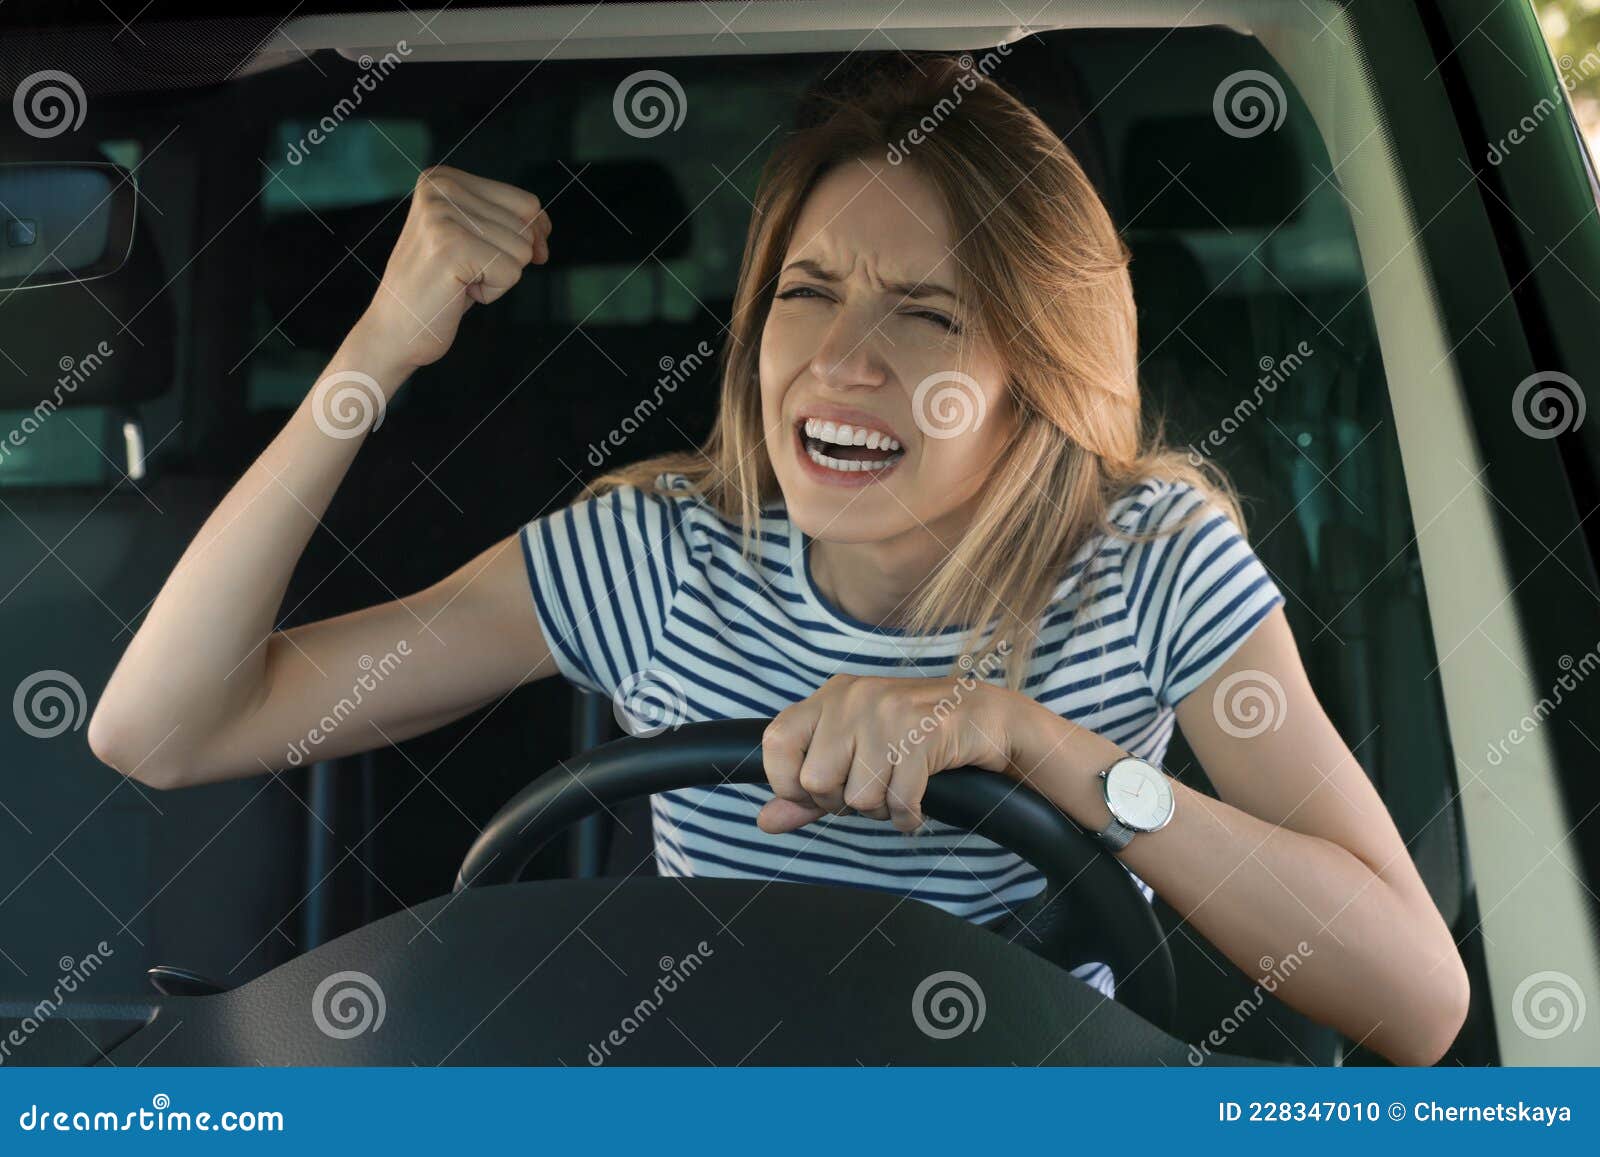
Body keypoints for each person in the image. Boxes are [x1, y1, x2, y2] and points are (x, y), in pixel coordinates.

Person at [90, 57, 1469, 1064]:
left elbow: (1417, 997)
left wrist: (1039, 747)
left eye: (926, 314)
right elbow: (164, 725)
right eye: (806, 293)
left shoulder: (1154, 559)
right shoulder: (658, 552)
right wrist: (377, 349)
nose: (842, 361)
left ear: (1031, 375)